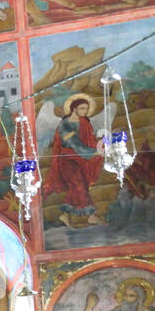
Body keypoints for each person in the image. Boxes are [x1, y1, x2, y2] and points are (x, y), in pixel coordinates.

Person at [46, 95, 103, 228]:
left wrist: (101, 143)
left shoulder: (85, 122)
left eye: (87, 109)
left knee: (78, 186)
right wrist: (93, 152)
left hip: (81, 160)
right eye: (82, 108)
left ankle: (65, 215)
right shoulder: (65, 125)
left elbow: (89, 140)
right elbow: (75, 144)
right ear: (74, 108)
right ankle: (91, 216)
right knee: (79, 185)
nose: (85, 111)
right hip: (67, 160)